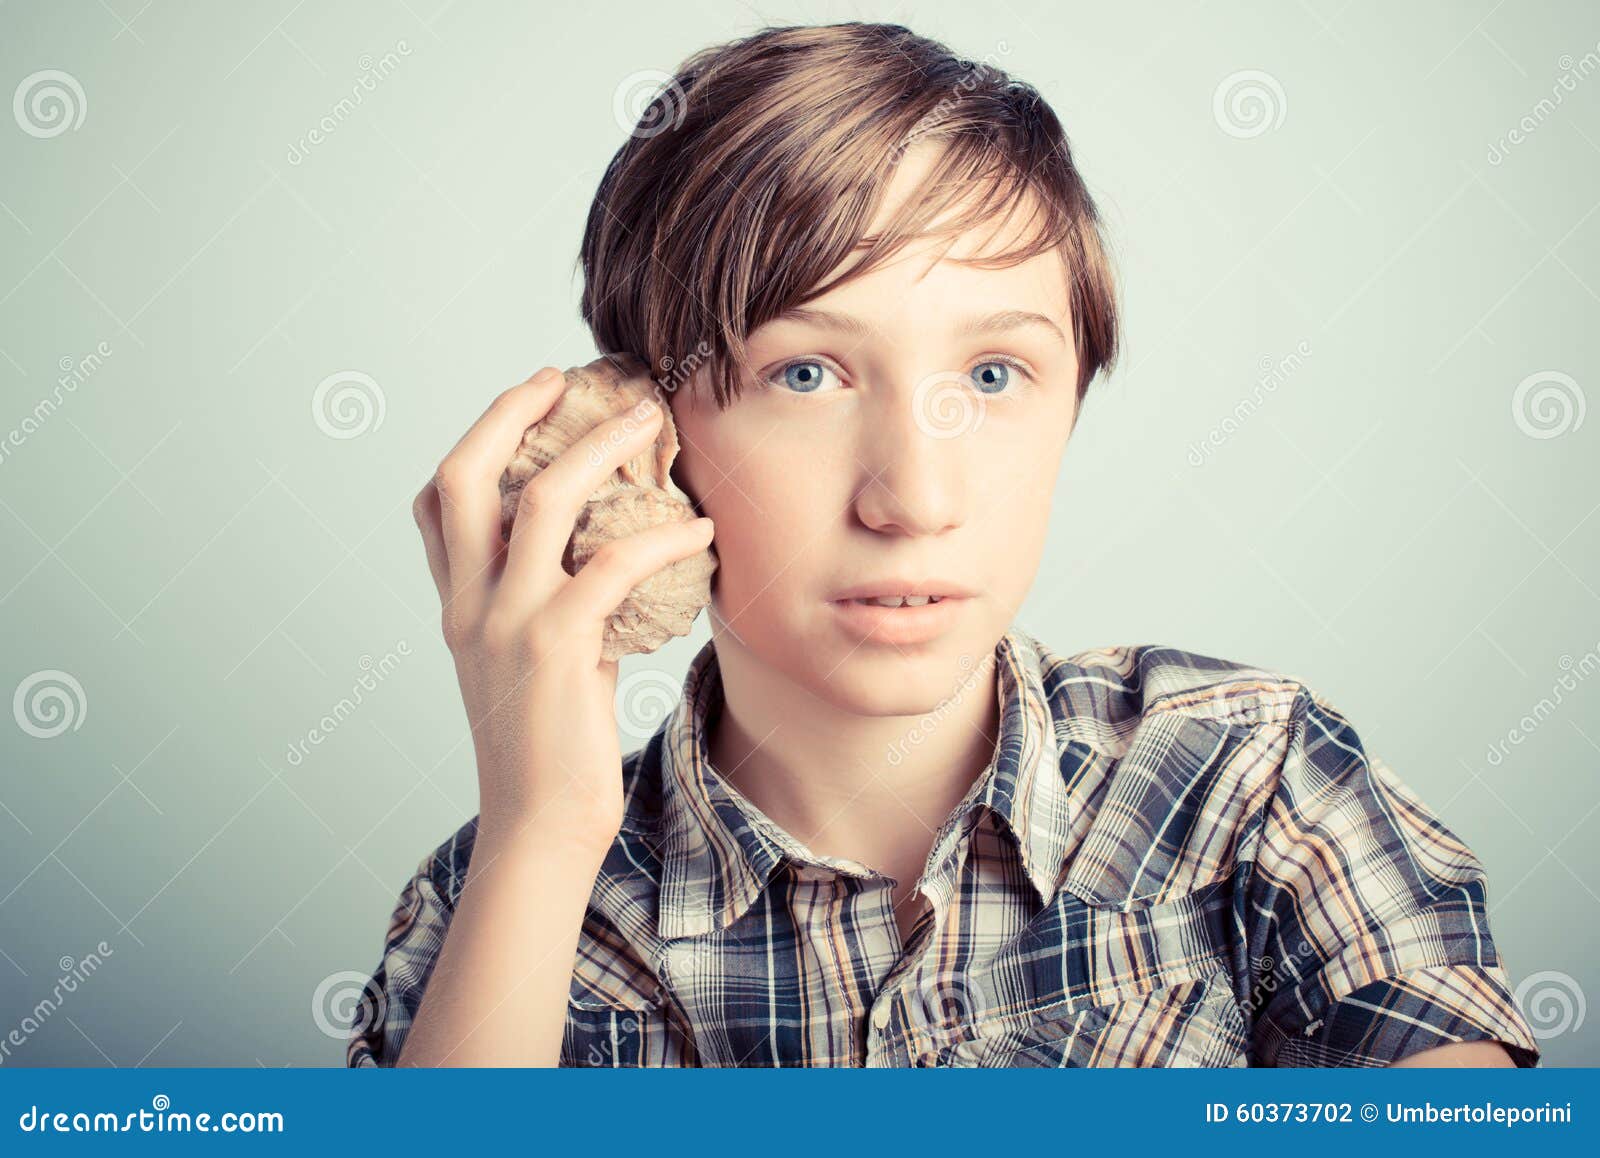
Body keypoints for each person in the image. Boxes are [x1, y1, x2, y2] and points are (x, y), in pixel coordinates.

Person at [346, 22, 1540, 1067]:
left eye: (991, 373)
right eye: (803, 373)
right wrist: (541, 839)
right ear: (637, 439)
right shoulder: (497, 913)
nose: (912, 499)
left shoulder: (1249, 787)